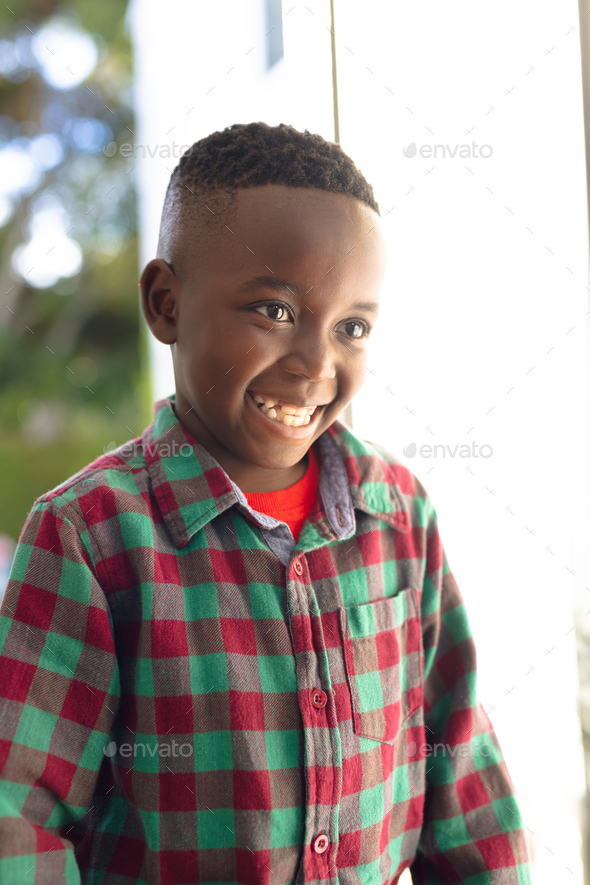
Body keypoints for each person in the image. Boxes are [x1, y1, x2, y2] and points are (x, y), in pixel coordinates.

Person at [0, 122, 532, 884]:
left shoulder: (400, 515)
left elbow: (462, 773)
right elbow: (19, 815)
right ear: (166, 303)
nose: (318, 363)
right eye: (275, 311)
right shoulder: (90, 536)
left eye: (352, 327)